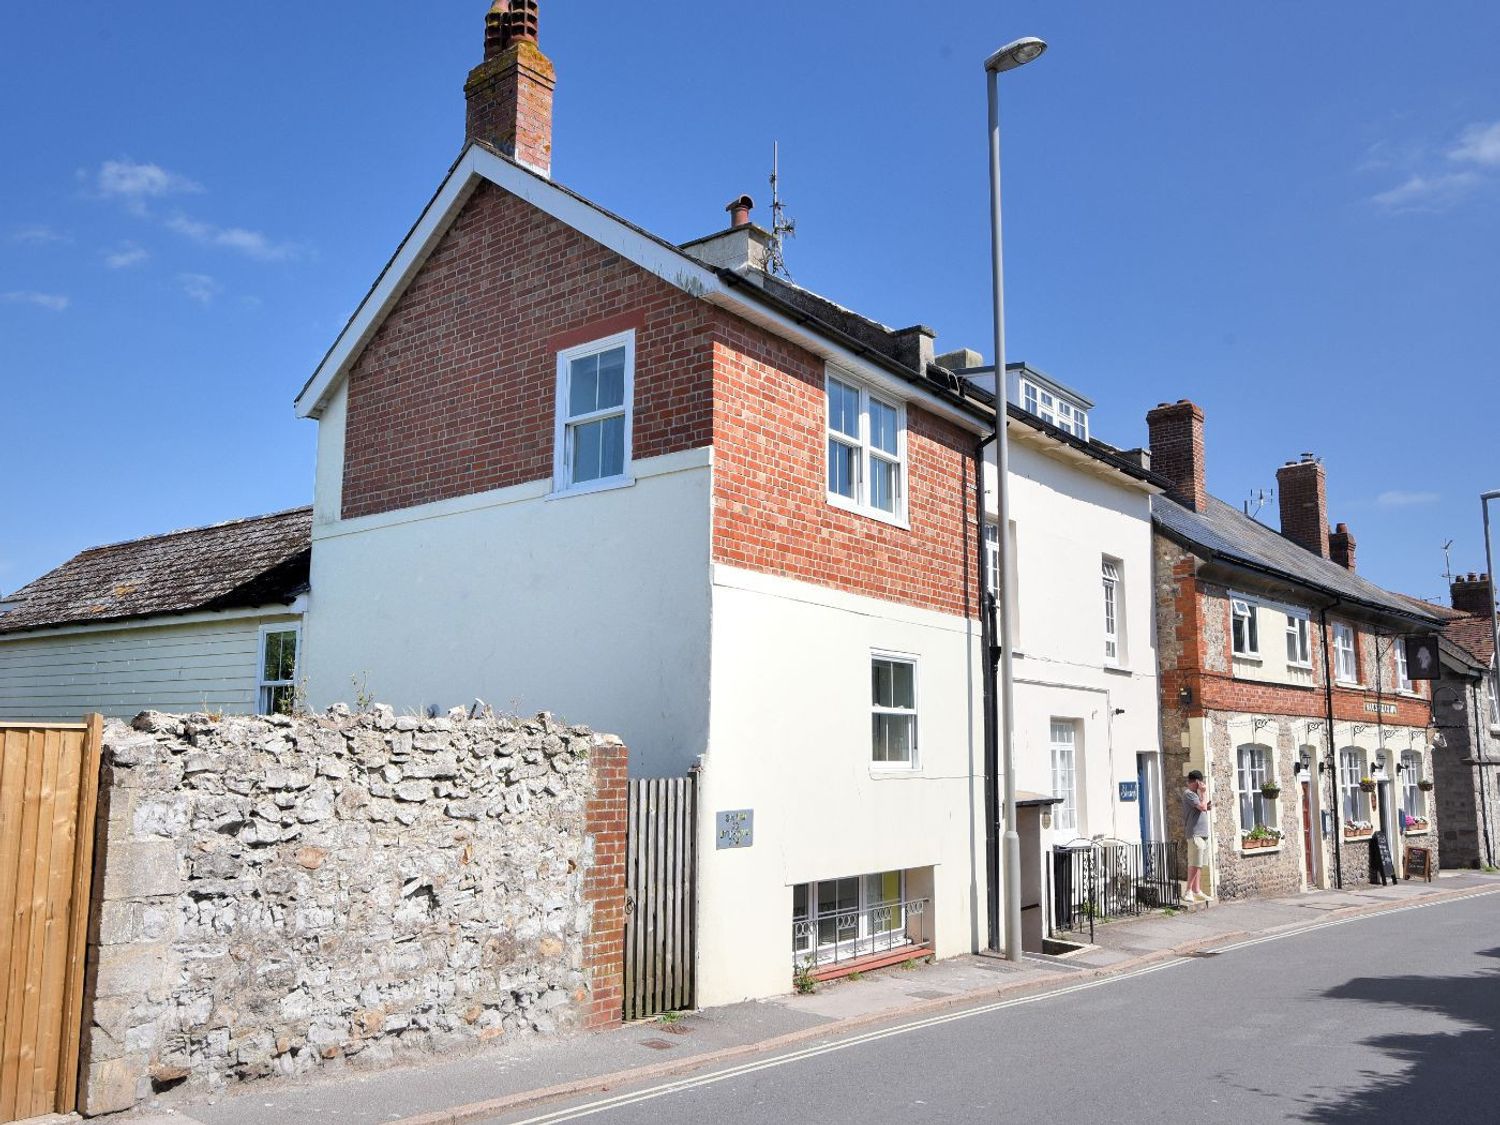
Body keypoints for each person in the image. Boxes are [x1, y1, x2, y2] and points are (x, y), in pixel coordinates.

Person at [1182, 769, 1213, 903]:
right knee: (1194, 863)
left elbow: (1204, 807)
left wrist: (1205, 802)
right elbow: (1202, 807)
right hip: (1195, 833)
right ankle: (1188, 891)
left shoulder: (1195, 794)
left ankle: (1196, 890)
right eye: (1201, 782)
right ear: (1196, 782)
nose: (1202, 785)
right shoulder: (1188, 793)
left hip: (1203, 833)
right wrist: (1204, 793)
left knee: (1199, 863)